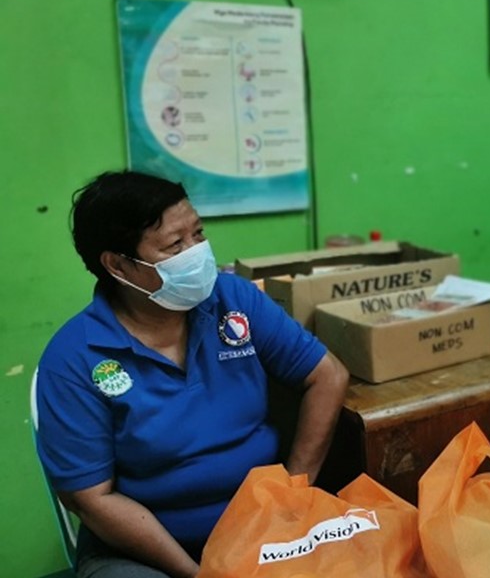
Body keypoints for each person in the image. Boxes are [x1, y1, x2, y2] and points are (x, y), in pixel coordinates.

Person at [35, 171, 350, 578]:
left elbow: (327, 376)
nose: (197, 252)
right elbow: (92, 499)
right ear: (118, 266)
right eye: (174, 244)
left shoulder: (231, 300)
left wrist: (292, 491)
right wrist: (197, 573)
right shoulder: (74, 358)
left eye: (198, 233)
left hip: (263, 524)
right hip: (147, 552)